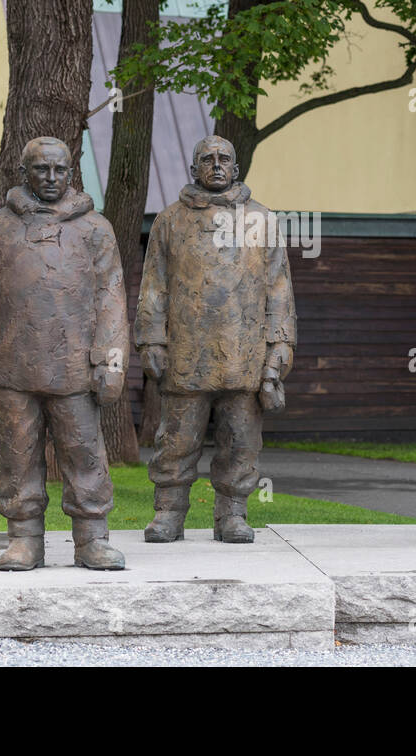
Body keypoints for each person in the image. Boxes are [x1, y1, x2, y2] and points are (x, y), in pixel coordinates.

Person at [0, 137, 129, 571]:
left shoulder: (95, 229)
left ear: (71, 173)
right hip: (12, 365)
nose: (51, 179)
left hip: (75, 368)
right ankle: (24, 537)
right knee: (17, 455)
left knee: (84, 453)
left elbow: (112, 299)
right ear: (24, 173)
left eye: (59, 170)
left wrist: (110, 362)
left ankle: (92, 538)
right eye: (41, 170)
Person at [135, 135, 296, 544]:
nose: (217, 165)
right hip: (186, 353)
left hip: (244, 354)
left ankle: (233, 514)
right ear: (194, 169)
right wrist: (151, 340)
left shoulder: (262, 220)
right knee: (176, 440)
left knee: (241, 442)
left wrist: (279, 349)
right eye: (207, 159)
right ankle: (169, 512)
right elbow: (153, 286)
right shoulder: (169, 221)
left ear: (236, 168)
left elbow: (278, 290)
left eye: (225, 158)